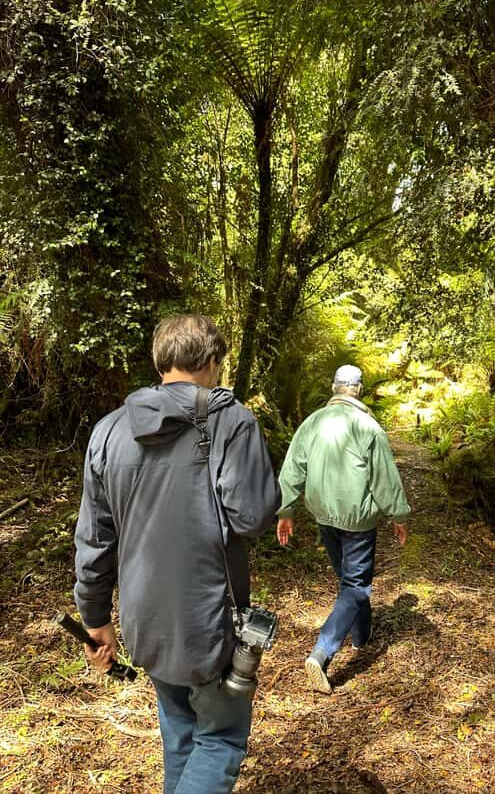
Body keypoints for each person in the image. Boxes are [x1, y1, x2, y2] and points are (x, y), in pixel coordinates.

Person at [73, 314, 280, 793]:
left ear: (160, 361)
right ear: (211, 361)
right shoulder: (231, 421)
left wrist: (94, 617)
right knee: (220, 739)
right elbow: (252, 517)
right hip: (209, 619)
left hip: (144, 619)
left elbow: (95, 538)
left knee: (180, 735)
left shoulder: (108, 430)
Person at [276, 364, 410, 694]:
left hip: (324, 516)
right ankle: (322, 652)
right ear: (359, 390)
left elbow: (292, 468)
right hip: (358, 520)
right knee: (356, 585)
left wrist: (286, 510)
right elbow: (384, 478)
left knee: (349, 582)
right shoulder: (368, 427)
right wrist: (399, 515)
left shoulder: (312, 423)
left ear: (334, 388)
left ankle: (361, 636)